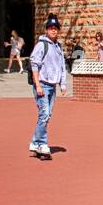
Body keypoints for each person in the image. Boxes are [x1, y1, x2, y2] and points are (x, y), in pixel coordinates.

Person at [29, 15, 66, 159]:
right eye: (51, 28)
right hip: (42, 84)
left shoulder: (58, 47)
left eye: (55, 28)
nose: (53, 30)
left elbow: (62, 66)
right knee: (44, 114)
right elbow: (34, 65)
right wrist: (37, 85)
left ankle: (34, 142)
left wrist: (63, 84)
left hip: (53, 86)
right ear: (46, 30)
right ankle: (42, 144)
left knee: (47, 115)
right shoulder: (41, 45)